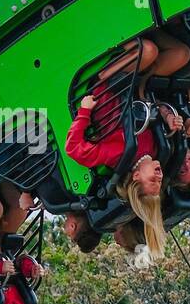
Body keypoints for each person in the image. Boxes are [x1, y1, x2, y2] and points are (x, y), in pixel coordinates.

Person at [65, 88, 170, 258]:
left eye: (152, 181)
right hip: (132, 90)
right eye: (159, 183)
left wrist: (84, 111)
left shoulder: (120, 155)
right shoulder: (155, 150)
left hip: (108, 91)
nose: (159, 177)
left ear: (136, 177)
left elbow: (74, 148)